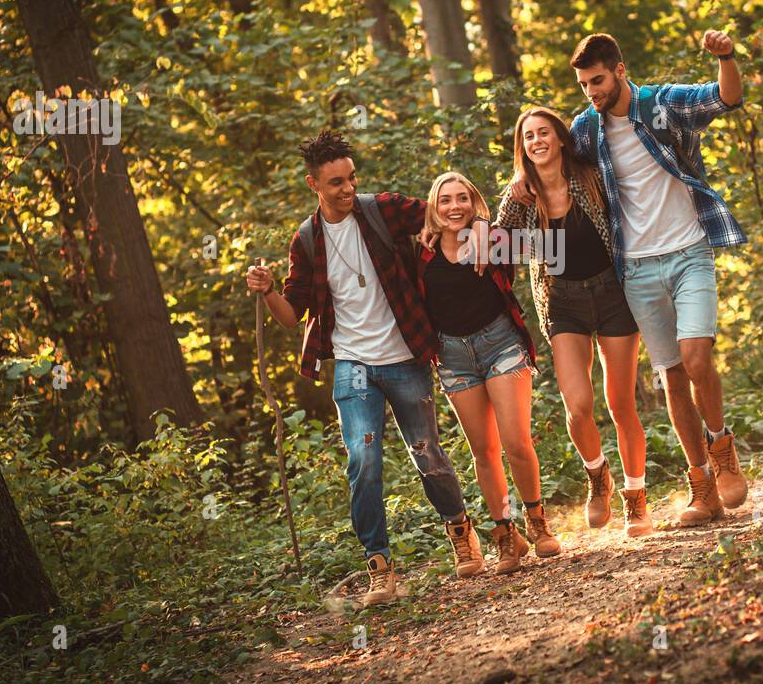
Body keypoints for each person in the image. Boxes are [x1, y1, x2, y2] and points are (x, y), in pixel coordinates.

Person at [511, 30, 750, 526]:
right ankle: (700, 486)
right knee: (671, 379)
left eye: (596, 80)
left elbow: (726, 98)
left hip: (688, 252)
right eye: (582, 85)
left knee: (696, 355)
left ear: (620, 70)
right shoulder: (586, 129)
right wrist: (522, 180)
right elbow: (546, 152)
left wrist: (726, 57)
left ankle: (723, 448)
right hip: (635, 268)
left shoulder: (662, 104)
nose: (591, 92)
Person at [244, 129, 485, 607]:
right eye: (336, 182)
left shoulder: (383, 210)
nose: (348, 188)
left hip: (404, 355)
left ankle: (460, 531)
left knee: (427, 453)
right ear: (315, 184)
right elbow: (293, 315)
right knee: (364, 461)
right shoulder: (307, 240)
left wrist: (477, 225)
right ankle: (380, 566)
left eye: (351, 177)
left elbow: (445, 211)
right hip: (353, 365)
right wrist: (268, 289)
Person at [493, 107, 652, 537]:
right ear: (521, 148)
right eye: (528, 137)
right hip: (563, 302)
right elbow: (494, 246)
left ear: (561, 138)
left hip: (613, 293)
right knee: (578, 407)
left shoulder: (590, 175)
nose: (536, 141)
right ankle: (598, 475)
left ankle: (636, 500)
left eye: (544, 133)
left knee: (620, 404)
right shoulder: (522, 196)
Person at [418, 171, 562, 574]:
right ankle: (505, 535)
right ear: (434, 207)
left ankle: (537, 522)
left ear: (474, 202)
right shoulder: (421, 252)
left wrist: (489, 228)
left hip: (501, 344)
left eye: (462, 198)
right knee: (484, 451)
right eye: (445, 200)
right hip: (453, 357)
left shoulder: (493, 240)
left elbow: (557, 250)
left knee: (516, 441)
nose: (454, 207)